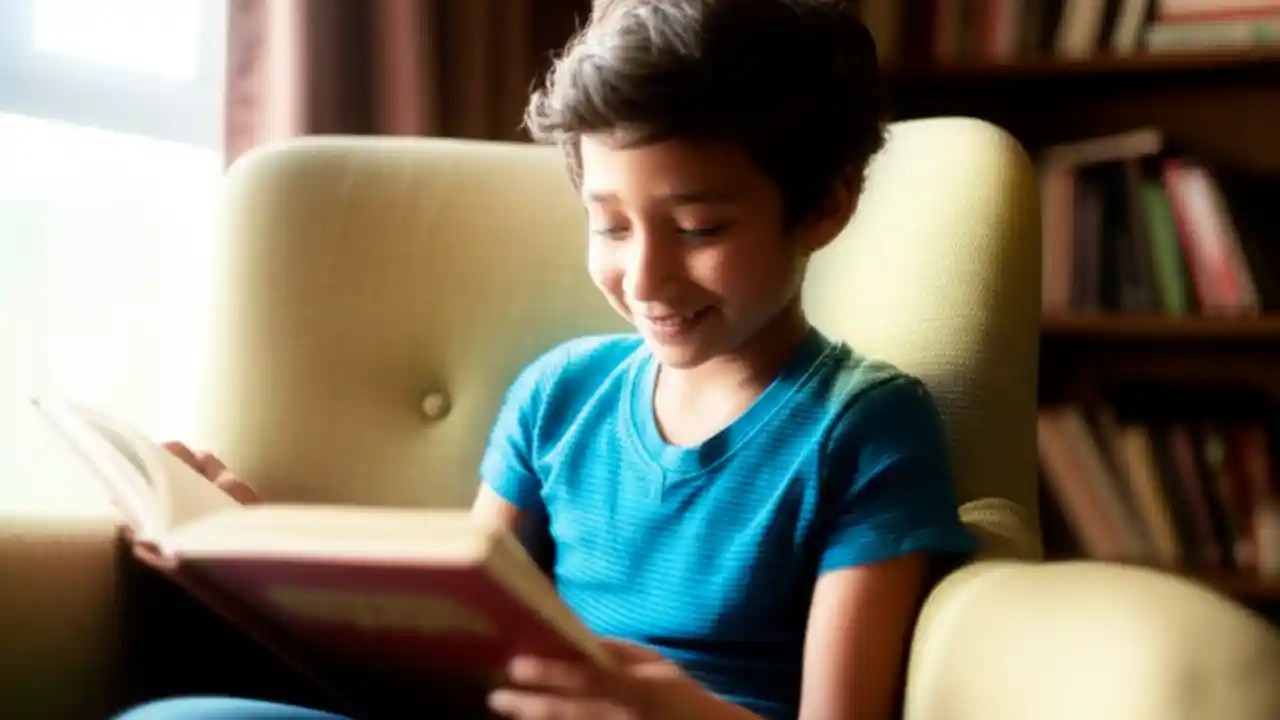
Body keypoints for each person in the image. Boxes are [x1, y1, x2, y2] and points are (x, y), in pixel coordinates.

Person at [117, 1, 978, 718]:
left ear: (825, 206)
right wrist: (255, 558)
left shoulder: (863, 428)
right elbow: (449, 639)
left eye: (698, 229)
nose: (645, 277)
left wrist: (668, 711)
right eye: (610, 225)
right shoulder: (560, 395)